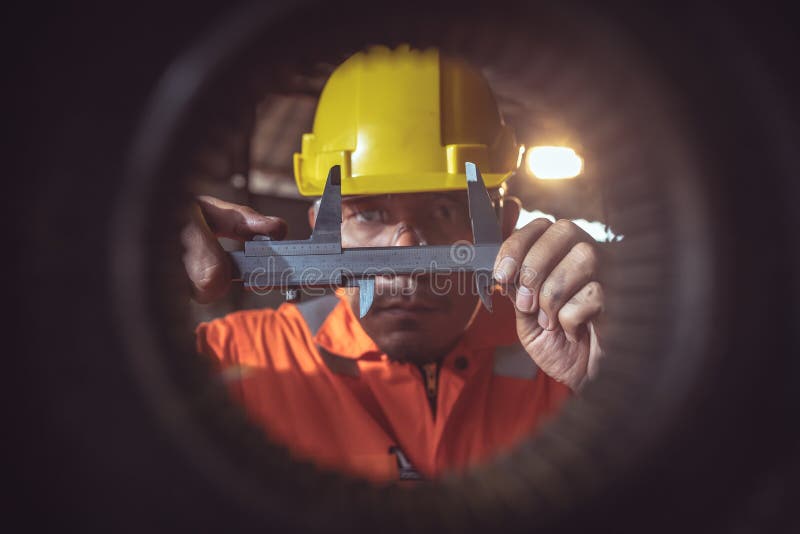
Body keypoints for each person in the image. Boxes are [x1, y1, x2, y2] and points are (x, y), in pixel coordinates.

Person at [183, 45, 604, 482]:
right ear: (320, 226)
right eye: (369, 214)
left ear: (504, 226)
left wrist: (612, 382)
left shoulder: (572, 349)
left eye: (443, 210)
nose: (406, 261)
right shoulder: (228, 358)